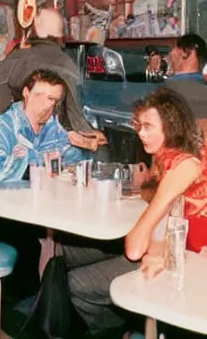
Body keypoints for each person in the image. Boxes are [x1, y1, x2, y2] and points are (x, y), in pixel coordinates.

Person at [63, 87, 207, 336]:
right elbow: (166, 218)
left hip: (191, 263)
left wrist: (155, 244)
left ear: (171, 126)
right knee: (69, 252)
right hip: (176, 247)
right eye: (139, 125)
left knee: (78, 283)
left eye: (149, 126)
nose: (141, 133)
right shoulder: (170, 157)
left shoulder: (183, 165)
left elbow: (134, 248)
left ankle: (118, 329)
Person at [0, 8, 99, 138]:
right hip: (66, 137)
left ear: (38, 27)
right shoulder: (70, 64)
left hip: (22, 140)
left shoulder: (21, 59)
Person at [0, 70, 96, 189]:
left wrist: (84, 147)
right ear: (26, 92)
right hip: (5, 205)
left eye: (52, 99)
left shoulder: (55, 130)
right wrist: (29, 165)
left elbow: (75, 164)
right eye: (39, 96)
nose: (45, 104)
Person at [164, 33, 207, 118]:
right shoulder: (203, 87)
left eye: (174, 48)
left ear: (186, 51)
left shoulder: (168, 87)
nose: (171, 53)